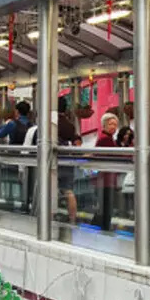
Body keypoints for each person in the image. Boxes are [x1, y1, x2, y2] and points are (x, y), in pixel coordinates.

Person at [91, 112, 120, 231]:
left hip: (105, 179)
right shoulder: (105, 140)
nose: (113, 126)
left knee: (103, 207)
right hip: (105, 180)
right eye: (110, 124)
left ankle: (97, 229)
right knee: (106, 208)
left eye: (115, 124)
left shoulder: (107, 138)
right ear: (104, 125)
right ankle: (103, 229)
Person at [56, 96, 81, 224]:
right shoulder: (69, 124)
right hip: (68, 161)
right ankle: (72, 219)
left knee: (49, 190)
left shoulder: (51, 123)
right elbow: (75, 141)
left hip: (54, 161)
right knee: (68, 191)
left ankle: (49, 218)